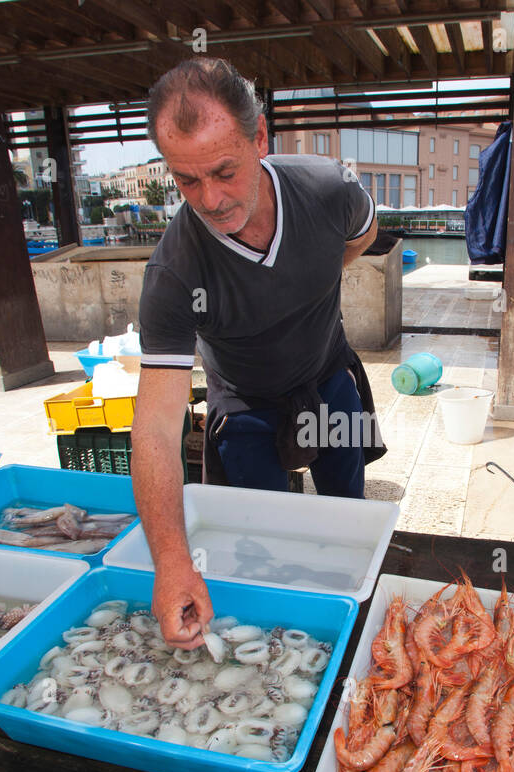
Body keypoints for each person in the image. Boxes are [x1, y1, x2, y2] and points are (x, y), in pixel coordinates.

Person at [130, 57, 384, 648]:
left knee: (349, 514)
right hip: (241, 402)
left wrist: (307, 282)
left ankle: (353, 624)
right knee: (260, 542)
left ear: (260, 138)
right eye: (187, 181)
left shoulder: (329, 189)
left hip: (327, 381)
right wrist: (171, 563)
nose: (211, 200)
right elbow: (157, 428)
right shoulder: (174, 271)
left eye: (224, 171)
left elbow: (362, 236)